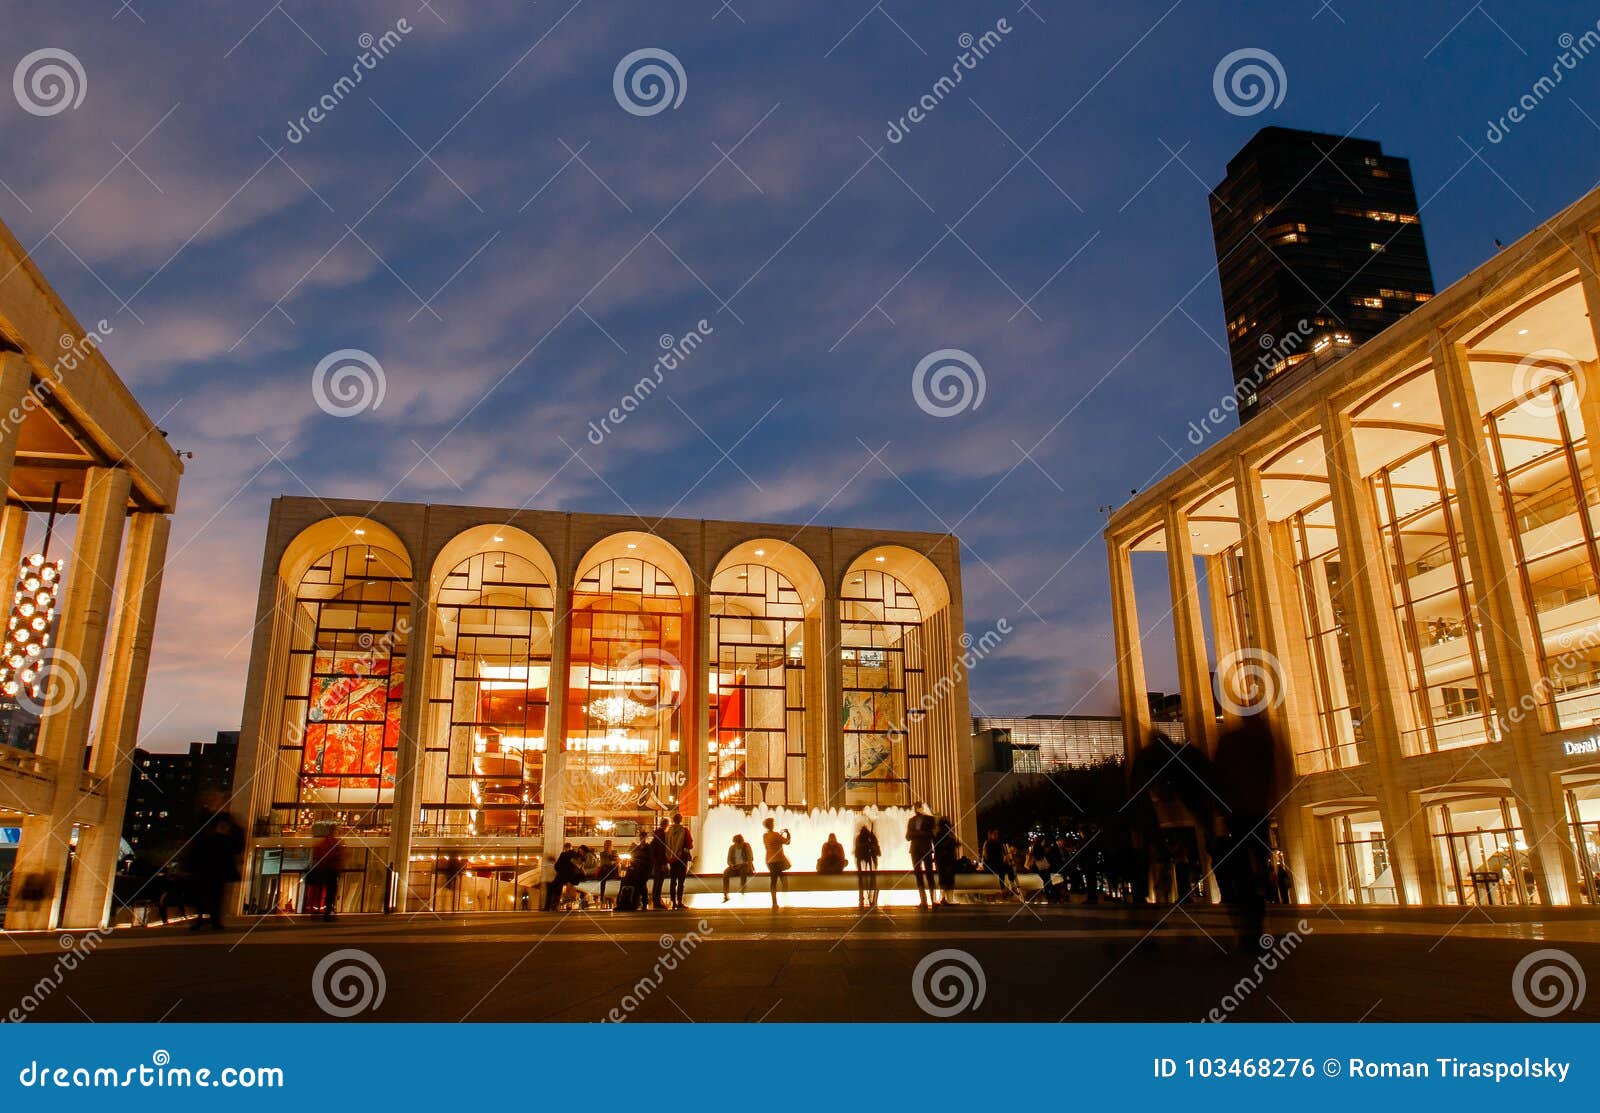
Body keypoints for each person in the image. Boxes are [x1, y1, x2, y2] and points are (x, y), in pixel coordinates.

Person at [183, 796, 244, 931]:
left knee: (215, 893)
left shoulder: (224, 822)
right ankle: (204, 918)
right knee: (204, 892)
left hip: (216, 865)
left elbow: (236, 842)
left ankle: (211, 918)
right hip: (206, 864)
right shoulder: (207, 821)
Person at [306, 826, 344, 921]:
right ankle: (326, 913)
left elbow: (316, 856)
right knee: (330, 893)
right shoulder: (335, 843)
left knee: (319, 893)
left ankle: (316, 912)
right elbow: (338, 856)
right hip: (330, 871)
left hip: (321, 871)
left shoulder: (322, 843)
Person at [906, 802, 937, 907]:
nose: (917, 810)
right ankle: (923, 901)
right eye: (915, 808)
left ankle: (933, 900)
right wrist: (921, 833)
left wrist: (916, 833)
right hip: (915, 850)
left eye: (918, 807)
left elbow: (932, 834)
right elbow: (907, 836)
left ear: (922, 808)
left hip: (926, 849)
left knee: (929, 873)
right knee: (918, 874)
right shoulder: (911, 820)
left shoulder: (930, 819)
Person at [665, 812, 694, 909]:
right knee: (681, 882)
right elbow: (690, 845)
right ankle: (679, 902)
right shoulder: (684, 830)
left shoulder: (668, 831)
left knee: (673, 881)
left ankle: (673, 902)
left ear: (673, 820)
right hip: (681, 858)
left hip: (671, 859)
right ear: (681, 820)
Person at [761, 818, 792, 909]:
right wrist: (788, 833)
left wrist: (780, 836)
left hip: (769, 861)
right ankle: (784, 899)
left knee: (773, 881)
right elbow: (787, 842)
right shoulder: (776, 834)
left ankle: (774, 902)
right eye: (773, 823)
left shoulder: (765, 836)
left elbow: (773, 842)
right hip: (778, 860)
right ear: (771, 825)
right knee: (781, 877)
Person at [982, 828, 1016, 898]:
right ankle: (1003, 889)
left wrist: (1006, 857)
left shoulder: (998, 843)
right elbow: (987, 857)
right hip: (990, 865)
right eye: (995, 834)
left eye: (997, 834)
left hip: (998, 864)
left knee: (1009, 868)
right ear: (990, 834)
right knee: (1002, 870)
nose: (996, 835)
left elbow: (1002, 856)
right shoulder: (988, 843)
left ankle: (1012, 885)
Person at [853, 824, 881, 909]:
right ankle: (869, 900)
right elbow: (858, 850)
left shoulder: (867, 837)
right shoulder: (867, 837)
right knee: (869, 880)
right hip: (866, 860)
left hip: (868, 860)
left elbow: (876, 849)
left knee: (866, 880)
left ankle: (865, 899)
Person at [933, 817, 959, 905]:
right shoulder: (946, 836)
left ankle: (943, 898)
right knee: (948, 879)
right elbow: (946, 846)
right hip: (946, 860)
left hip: (941, 859)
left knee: (943, 879)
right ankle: (948, 899)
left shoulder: (937, 836)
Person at [723, 834, 755, 900]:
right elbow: (728, 860)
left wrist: (743, 864)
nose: (738, 845)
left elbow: (750, 859)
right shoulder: (732, 848)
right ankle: (725, 894)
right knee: (725, 872)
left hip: (745, 865)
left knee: (743, 870)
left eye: (740, 843)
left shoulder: (747, 846)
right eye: (736, 843)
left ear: (742, 842)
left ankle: (742, 887)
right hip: (735, 866)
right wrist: (731, 865)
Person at [1026, 835, 1057, 903]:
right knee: (1047, 881)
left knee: (1046, 881)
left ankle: (1049, 896)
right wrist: (1044, 851)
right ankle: (1050, 896)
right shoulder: (1039, 846)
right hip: (1042, 866)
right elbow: (1039, 856)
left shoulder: (1036, 846)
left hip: (1040, 866)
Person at [649, 821, 671, 909]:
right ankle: (657, 902)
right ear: (666, 825)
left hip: (655, 863)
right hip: (660, 863)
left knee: (656, 883)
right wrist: (664, 863)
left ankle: (656, 900)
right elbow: (662, 851)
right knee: (659, 883)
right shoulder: (662, 835)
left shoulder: (656, 835)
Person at [597, 840, 620, 906]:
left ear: (611, 846)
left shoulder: (614, 852)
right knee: (603, 881)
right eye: (605, 845)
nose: (606, 847)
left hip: (613, 872)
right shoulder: (602, 853)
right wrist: (613, 861)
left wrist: (613, 861)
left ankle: (614, 899)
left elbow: (617, 861)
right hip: (605, 872)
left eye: (608, 845)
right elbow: (605, 862)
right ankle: (602, 899)